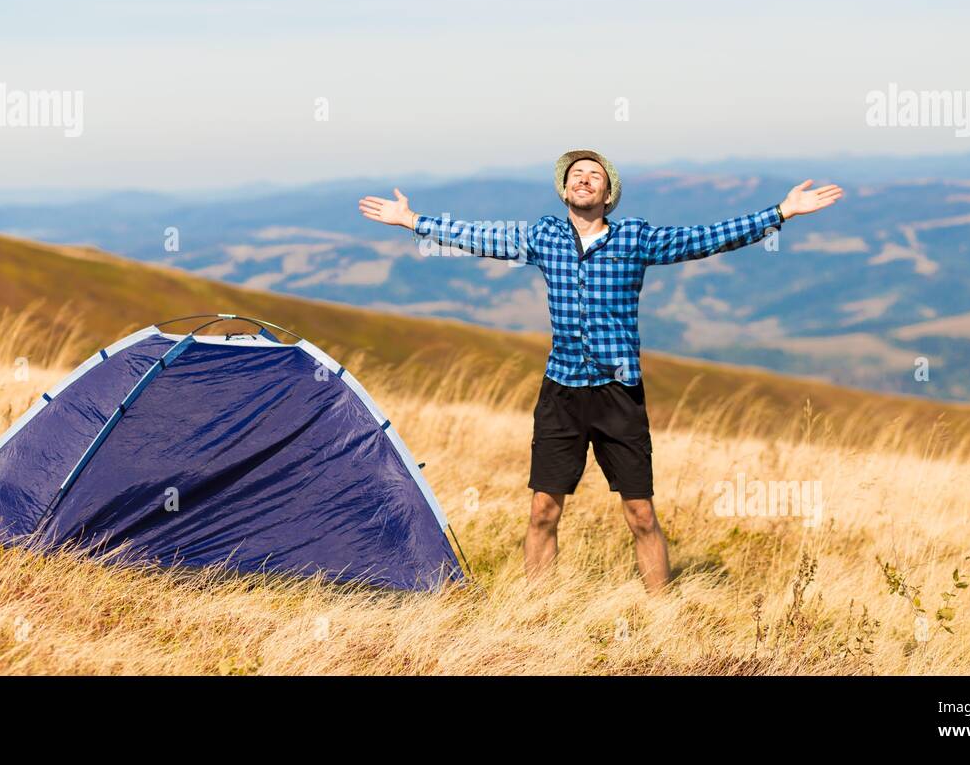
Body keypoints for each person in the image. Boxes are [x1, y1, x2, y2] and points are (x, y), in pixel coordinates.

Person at [359, 150, 843, 593]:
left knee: (640, 514)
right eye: (575, 175)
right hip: (561, 393)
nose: (583, 180)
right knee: (543, 511)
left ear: (608, 194)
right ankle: (538, 610)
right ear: (565, 190)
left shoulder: (635, 239)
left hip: (618, 394)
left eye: (594, 175)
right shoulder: (544, 236)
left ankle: (660, 613)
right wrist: (411, 221)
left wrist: (780, 213)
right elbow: (480, 236)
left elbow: (704, 239)